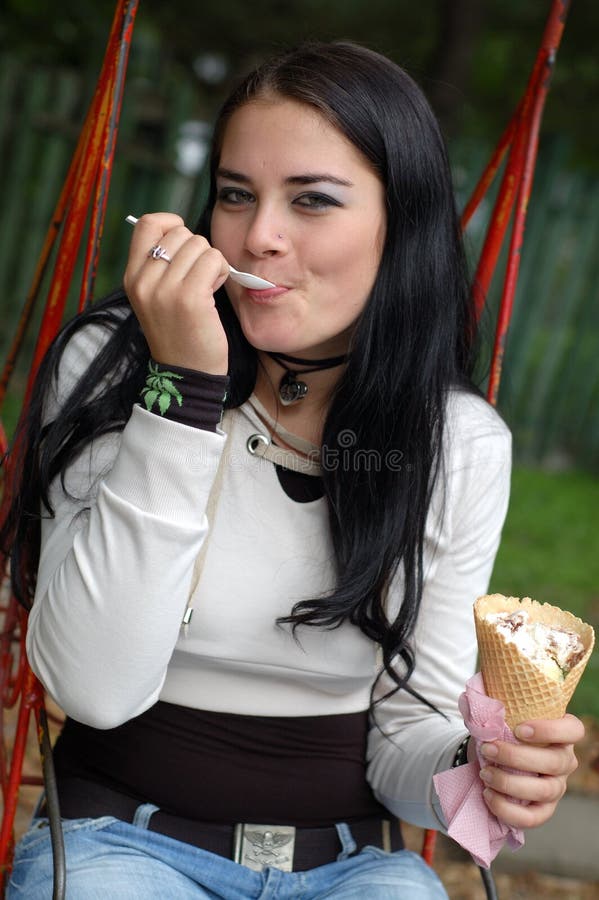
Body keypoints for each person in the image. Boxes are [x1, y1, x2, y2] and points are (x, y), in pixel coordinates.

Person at [1, 41, 584, 899]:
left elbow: (405, 744)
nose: (257, 236)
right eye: (235, 195)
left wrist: (480, 766)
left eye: (311, 201)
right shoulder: (115, 369)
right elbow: (92, 686)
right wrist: (184, 391)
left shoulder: (456, 442)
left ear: (401, 223)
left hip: (351, 866)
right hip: (119, 846)